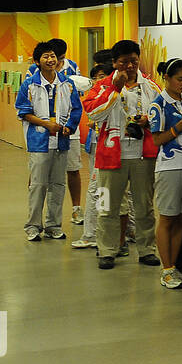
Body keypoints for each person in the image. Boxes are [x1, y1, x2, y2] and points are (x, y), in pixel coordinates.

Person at [82, 40, 162, 270]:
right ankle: (107, 250)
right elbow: (94, 113)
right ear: (115, 63)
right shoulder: (102, 86)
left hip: (142, 156)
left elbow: (160, 113)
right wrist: (115, 88)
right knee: (107, 205)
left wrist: (148, 120)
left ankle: (147, 249)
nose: (129, 66)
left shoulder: (150, 86)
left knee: (145, 206)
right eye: (123, 62)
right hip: (110, 156)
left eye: (133, 61)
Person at [15, 41, 82, 241]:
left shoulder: (67, 83)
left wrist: (69, 126)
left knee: (58, 185)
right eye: (45, 56)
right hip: (39, 143)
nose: (50, 60)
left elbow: (76, 109)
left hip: (61, 141)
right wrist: (46, 125)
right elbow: (24, 112)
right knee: (38, 185)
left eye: (53, 56)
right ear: (37, 61)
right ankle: (33, 226)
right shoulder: (29, 84)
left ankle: (54, 225)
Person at [148, 59, 182, 290]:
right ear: (167, 78)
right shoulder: (157, 105)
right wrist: (180, 125)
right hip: (170, 165)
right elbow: (157, 140)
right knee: (168, 217)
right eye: (179, 79)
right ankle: (166, 268)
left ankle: (177, 267)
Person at [72, 62, 113, 250]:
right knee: (99, 190)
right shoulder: (96, 93)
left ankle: (95, 234)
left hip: (111, 150)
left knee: (101, 191)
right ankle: (94, 233)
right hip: (98, 147)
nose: (98, 80)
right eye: (95, 77)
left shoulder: (113, 93)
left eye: (102, 75)